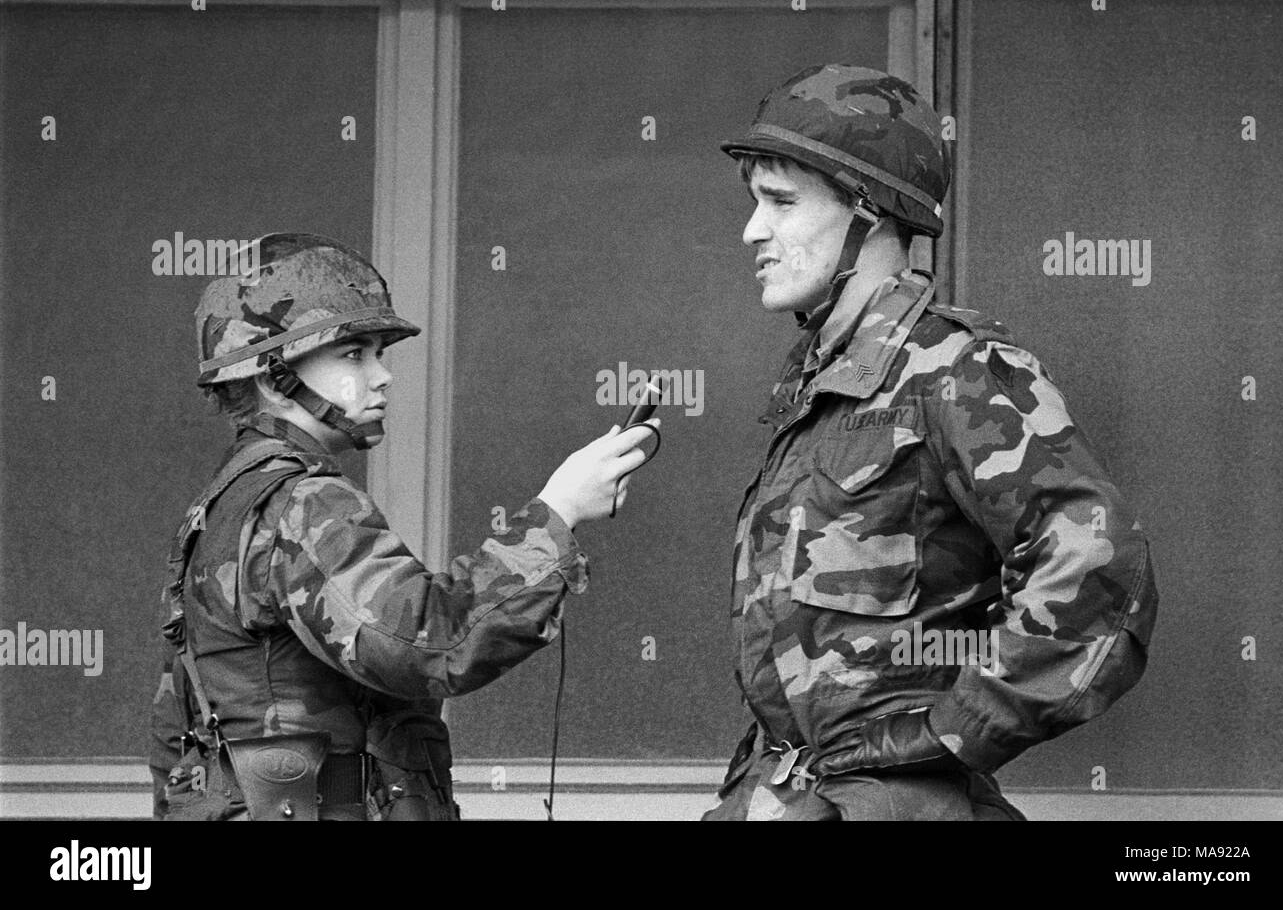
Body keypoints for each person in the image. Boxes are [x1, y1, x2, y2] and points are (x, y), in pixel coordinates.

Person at [704, 65, 1158, 820]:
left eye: (780, 202)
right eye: (756, 203)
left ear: (867, 209)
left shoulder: (954, 369)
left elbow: (1099, 571)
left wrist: (946, 732)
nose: (752, 230)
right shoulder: (825, 387)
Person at [149, 232, 655, 820]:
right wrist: (559, 513)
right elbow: (432, 642)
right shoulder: (301, 503)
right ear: (273, 377)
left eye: (378, 354)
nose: (382, 376)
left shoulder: (232, 499)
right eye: (353, 354)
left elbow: (172, 735)